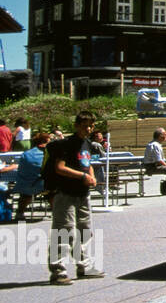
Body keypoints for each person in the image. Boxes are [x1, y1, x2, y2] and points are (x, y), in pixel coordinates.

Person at [46, 111, 105, 285]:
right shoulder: (67, 145)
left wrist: (91, 176)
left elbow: (87, 164)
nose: (88, 129)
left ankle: (84, 266)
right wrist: (82, 177)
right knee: (64, 231)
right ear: (76, 125)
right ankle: (58, 271)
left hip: (83, 193)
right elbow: (59, 167)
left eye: (91, 125)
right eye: (84, 125)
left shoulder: (87, 144)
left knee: (84, 231)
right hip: (66, 193)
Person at [12, 131, 51, 220]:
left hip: (25, 186)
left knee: (25, 194)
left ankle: (20, 213)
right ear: (46, 142)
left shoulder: (26, 154)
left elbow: (21, 170)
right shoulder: (50, 154)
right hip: (44, 185)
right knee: (53, 191)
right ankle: (57, 212)